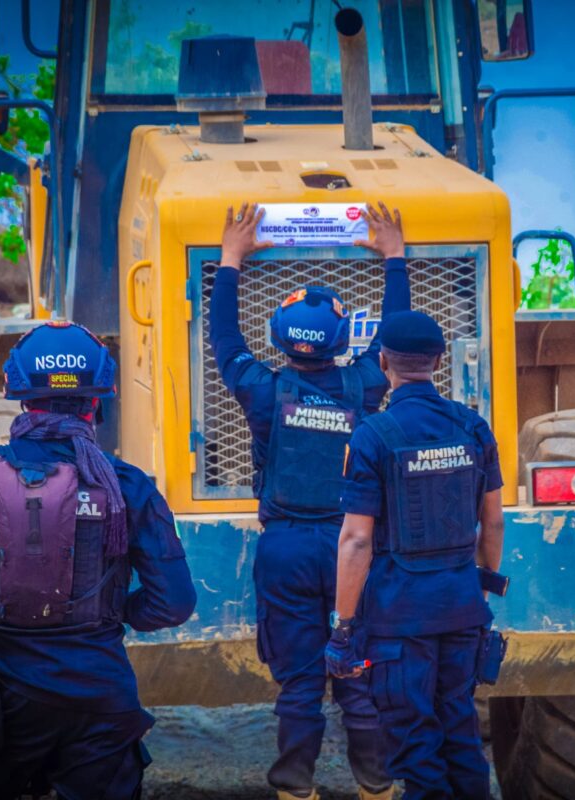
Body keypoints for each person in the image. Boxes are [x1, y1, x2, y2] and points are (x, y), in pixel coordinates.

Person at [0, 321, 197, 799]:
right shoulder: (129, 485)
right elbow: (176, 603)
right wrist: (112, 614)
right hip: (102, 699)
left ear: (20, 396)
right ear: (97, 400)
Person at [208, 201, 411, 800]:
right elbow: (397, 338)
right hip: (355, 547)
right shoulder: (370, 384)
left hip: (287, 550)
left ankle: (295, 787)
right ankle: (376, 784)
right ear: (345, 340)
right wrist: (395, 257)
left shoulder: (262, 391)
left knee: (299, 681)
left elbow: (223, 339)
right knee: (358, 671)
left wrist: (230, 260)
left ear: (280, 339)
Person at [327, 311, 506, 800]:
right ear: (439, 361)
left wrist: (343, 627)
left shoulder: (372, 435)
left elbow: (357, 540)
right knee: (461, 732)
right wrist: (481, 582)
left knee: (416, 745)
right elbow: (492, 522)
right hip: (462, 610)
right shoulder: (473, 428)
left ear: (383, 362)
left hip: (399, 621)